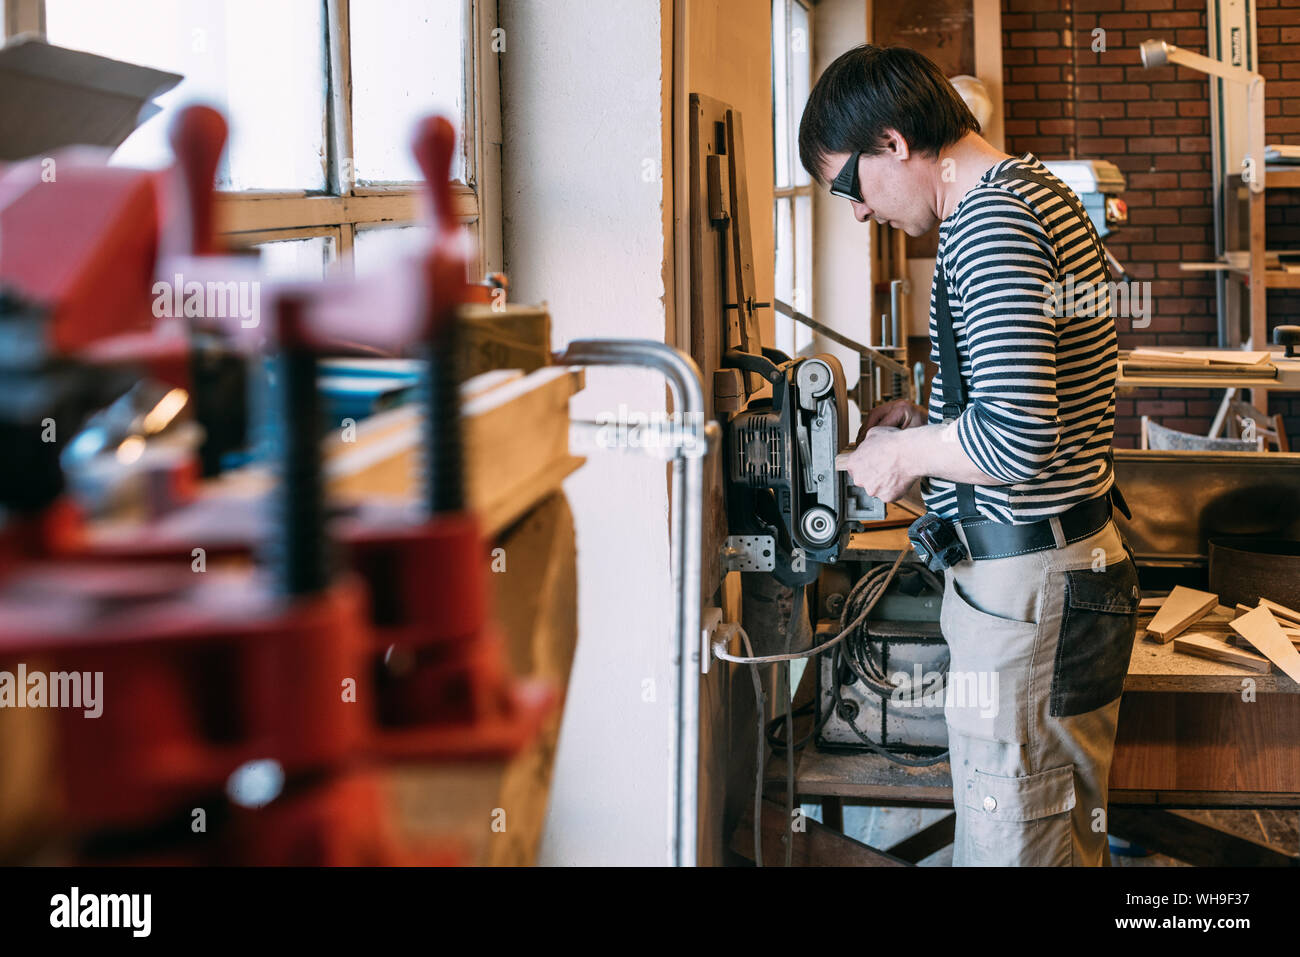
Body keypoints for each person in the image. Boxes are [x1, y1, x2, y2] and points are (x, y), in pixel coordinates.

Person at [798, 44, 1140, 866]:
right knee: (1052, 832)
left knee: (1018, 843)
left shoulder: (990, 223)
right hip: (1065, 570)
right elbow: (1058, 379)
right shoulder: (1038, 191)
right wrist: (933, 412)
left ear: (892, 143)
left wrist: (905, 453)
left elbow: (1017, 438)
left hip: (1032, 593)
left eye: (849, 186)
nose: (856, 211)